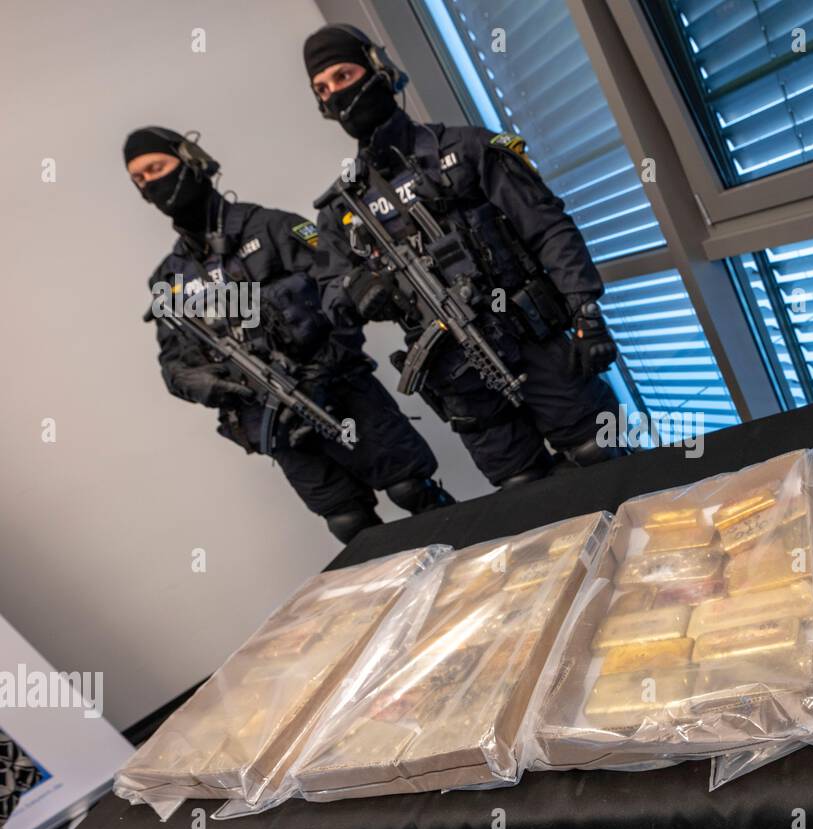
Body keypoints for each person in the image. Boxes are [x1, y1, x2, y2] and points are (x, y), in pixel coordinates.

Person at [303, 24, 626, 488]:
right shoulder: (342, 209)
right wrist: (358, 290)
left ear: (378, 69)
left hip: (536, 340)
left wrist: (587, 310)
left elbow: (549, 229)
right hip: (460, 375)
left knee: (603, 455)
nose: (336, 94)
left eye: (344, 75)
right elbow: (332, 294)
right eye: (322, 88)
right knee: (527, 495)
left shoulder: (468, 148)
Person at [124, 126, 454, 543]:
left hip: (343, 396)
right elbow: (173, 364)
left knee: (411, 489)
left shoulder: (273, 228)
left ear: (191, 160)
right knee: (348, 522)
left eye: (157, 168)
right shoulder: (170, 279)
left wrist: (323, 368)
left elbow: (342, 289)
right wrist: (201, 383)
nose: (151, 183)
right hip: (271, 420)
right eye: (140, 179)